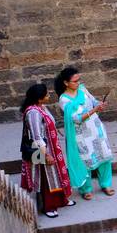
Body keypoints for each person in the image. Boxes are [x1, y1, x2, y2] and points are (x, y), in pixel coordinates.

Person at [55, 66, 114, 200]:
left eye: (79, 80)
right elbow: (76, 119)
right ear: (66, 83)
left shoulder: (82, 89)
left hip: (96, 129)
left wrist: (100, 104)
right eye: (75, 81)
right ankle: (85, 188)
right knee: (85, 160)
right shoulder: (64, 100)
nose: (78, 83)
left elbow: (93, 101)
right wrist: (94, 110)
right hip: (81, 135)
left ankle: (106, 184)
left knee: (104, 155)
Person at [19, 82, 74, 218]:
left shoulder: (41, 107)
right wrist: (46, 155)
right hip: (41, 150)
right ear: (39, 98)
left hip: (52, 147)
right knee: (46, 178)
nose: (49, 95)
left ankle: (62, 200)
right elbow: (36, 136)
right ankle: (49, 206)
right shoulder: (33, 113)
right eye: (47, 94)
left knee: (57, 174)